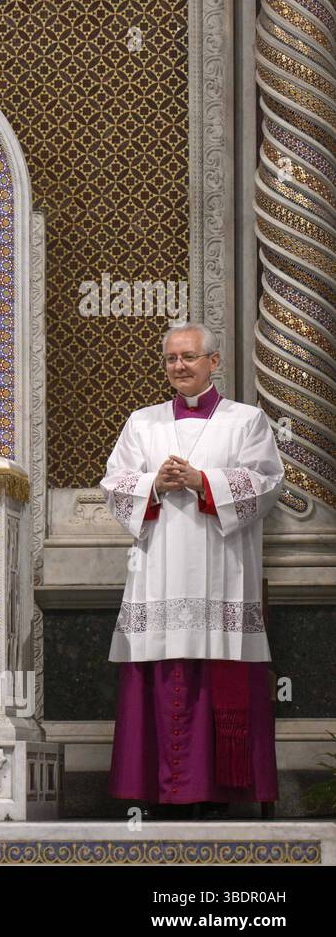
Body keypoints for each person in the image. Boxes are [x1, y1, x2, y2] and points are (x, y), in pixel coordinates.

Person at [101, 321, 283, 818]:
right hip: (158, 570)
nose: (178, 366)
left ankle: (219, 792)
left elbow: (267, 484)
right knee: (161, 674)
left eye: (188, 357)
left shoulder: (246, 421)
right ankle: (160, 794)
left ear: (213, 362)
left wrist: (203, 480)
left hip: (221, 570)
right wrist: (154, 484)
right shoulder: (143, 422)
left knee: (217, 672)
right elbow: (115, 483)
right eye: (170, 359)